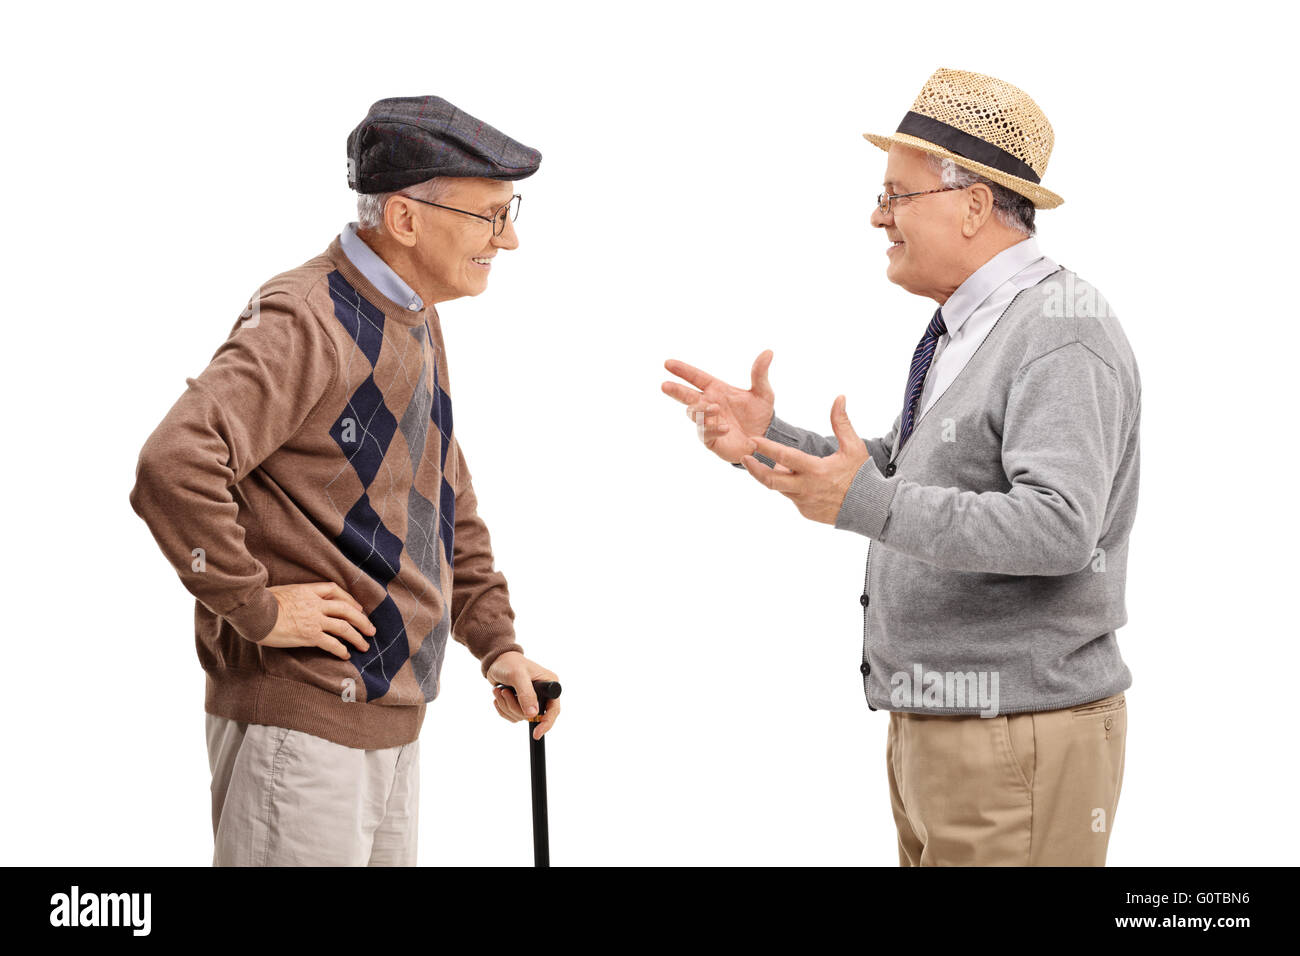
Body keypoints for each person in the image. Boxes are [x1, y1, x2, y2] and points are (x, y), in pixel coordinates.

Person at [662, 68, 1139, 866]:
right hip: (943, 731)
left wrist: (868, 503)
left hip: (1013, 735)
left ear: (975, 203)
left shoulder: (1060, 332)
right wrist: (766, 438)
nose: (877, 217)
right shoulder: (970, 327)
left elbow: (1060, 527)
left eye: (895, 195)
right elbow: (899, 474)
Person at [130, 95, 561, 866]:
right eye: (491, 217)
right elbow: (175, 463)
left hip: (389, 724)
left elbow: (439, 491)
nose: (512, 239)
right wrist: (254, 607)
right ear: (405, 217)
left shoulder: (414, 315)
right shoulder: (305, 320)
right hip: (301, 734)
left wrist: (497, 645)